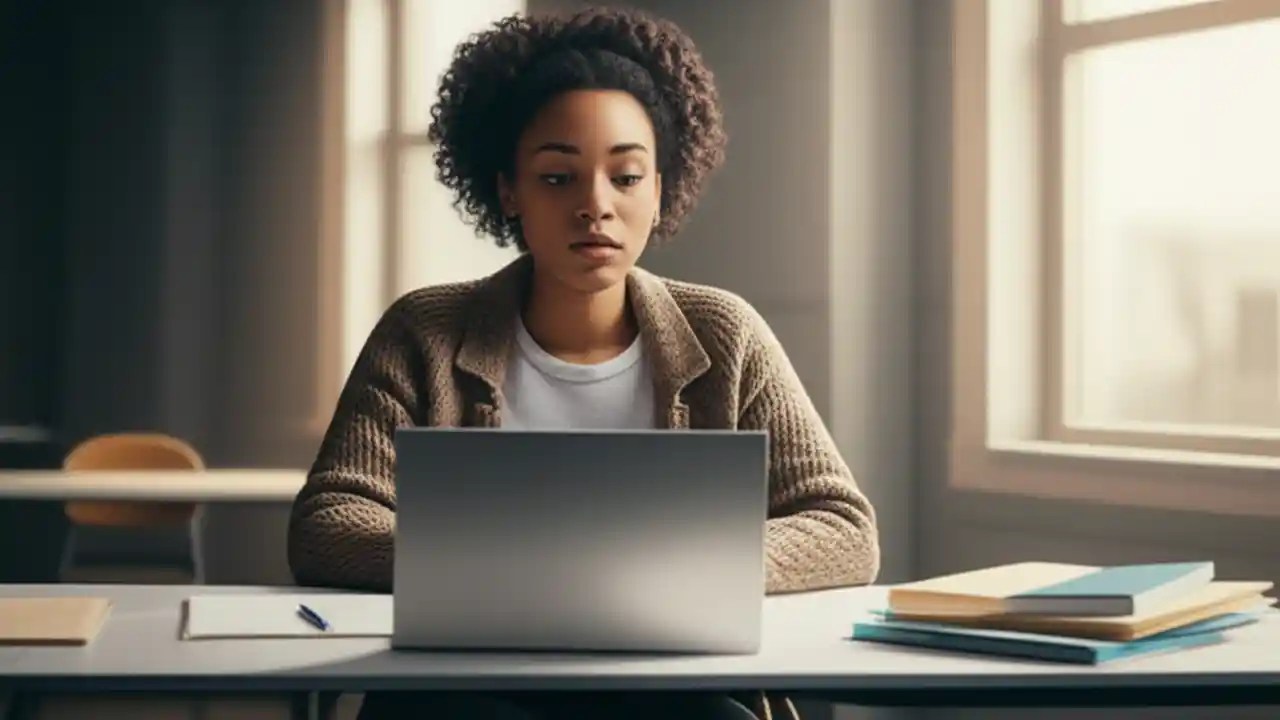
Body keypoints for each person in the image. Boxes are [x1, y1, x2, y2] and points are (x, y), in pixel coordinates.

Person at [287, 6, 880, 719]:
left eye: (626, 177)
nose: (595, 207)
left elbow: (843, 528)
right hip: (467, 688)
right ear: (509, 190)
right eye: (559, 178)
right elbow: (328, 524)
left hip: (669, 688)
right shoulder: (426, 331)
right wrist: (539, 570)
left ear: (660, 189)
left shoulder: (725, 334)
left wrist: (655, 567)